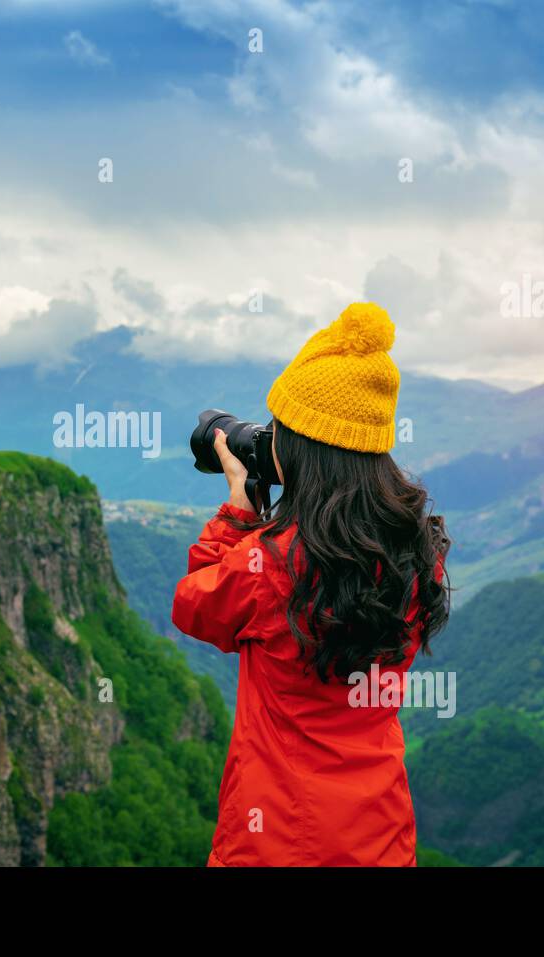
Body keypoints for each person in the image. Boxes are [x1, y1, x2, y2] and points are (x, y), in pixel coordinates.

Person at [172, 302, 450, 867]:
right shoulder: (417, 550)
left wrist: (236, 513)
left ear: (301, 448)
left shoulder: (270, 563)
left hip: (275, 839)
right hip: (379, 833)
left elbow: (194, 605)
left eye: (280, 430)